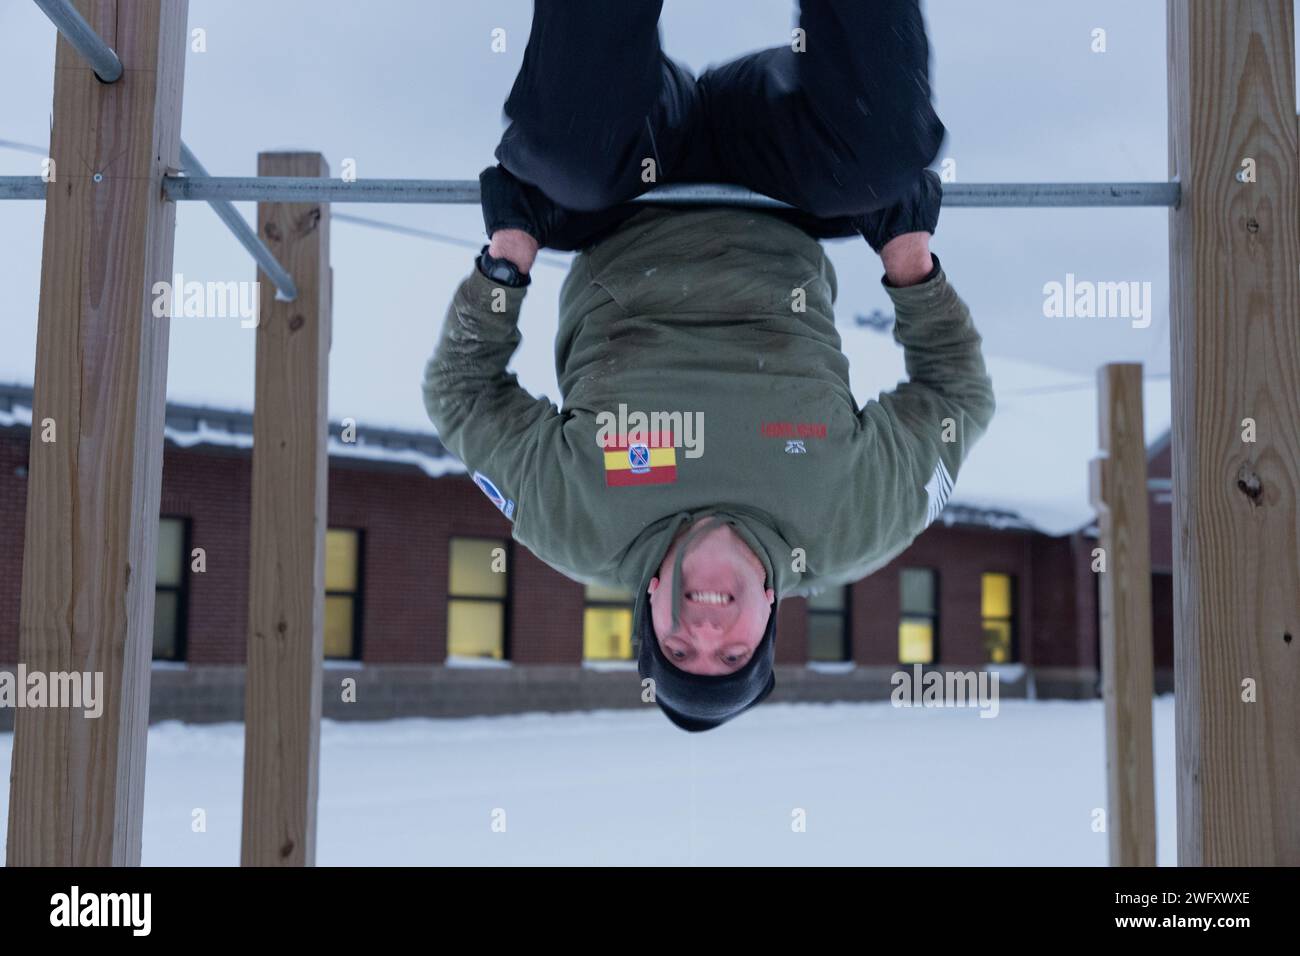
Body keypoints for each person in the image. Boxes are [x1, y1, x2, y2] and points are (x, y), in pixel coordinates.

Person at [423, 0, 995, 732]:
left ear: (650, 599)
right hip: (780, 183)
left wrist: (507, 263)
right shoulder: (852, 525)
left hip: (624, 187)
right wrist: (910, 264)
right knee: (884, 157)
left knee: (562, 151)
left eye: (676, 648)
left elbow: (462, 400)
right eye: (730, 656)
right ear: (767, 625)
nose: (705, 634)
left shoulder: (577, 525)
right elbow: (957, 396)